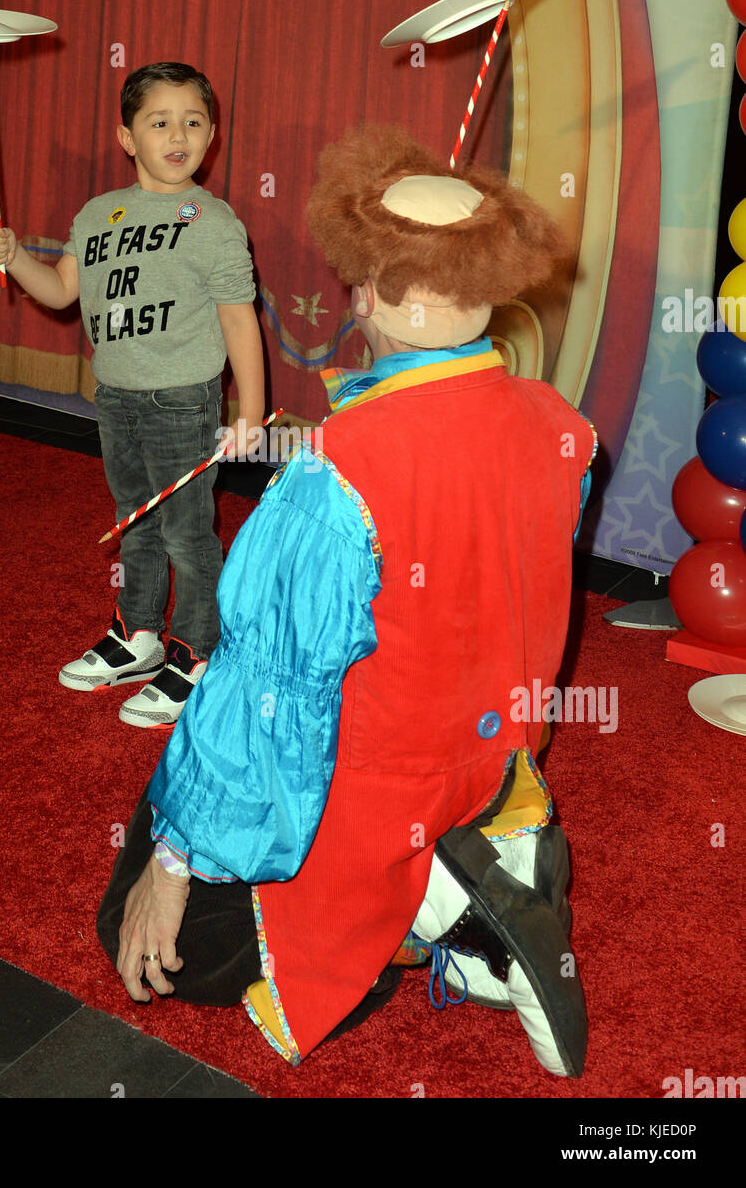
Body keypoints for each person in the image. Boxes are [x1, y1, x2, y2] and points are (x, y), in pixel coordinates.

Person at [96, 123, 596, 1074]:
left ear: (396, 297)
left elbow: (264, 693)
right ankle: (474, 859)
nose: (352, 296)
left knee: (149, 925)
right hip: (489, 761)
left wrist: (173, 861)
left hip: (371, 794)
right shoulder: (563, 429)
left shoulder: (336, 478)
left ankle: (428, 919)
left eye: (362, 278)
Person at [0, 63, 264, 726]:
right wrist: (14, 255)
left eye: (192, 122)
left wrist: (249, 410)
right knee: (136, 521)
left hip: (183, 401)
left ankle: (197, 649)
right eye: (159, 121)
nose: (178, 134)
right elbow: (57, 292)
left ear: (212, 134)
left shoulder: (214, 222)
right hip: (115, 397)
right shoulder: (96, 214)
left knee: (187, 533)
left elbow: (236, 317)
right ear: (126, 136)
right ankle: (138, 633)